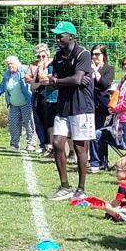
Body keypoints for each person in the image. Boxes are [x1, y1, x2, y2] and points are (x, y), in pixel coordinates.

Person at [44, 21, 95, 201]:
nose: (57, 38)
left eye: (61, 35)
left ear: (71, 37)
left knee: (80, 147)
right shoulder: (58, 56)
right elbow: (69, 79)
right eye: (57, 35)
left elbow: (75, 79)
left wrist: (59, 81)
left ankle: (81, 188)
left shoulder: (83, 54)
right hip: (63, 104)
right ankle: (65, 186)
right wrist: (68, 80)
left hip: (81, 105)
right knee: (58, 143)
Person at [94, 54, 126, 170]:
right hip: (120, 118)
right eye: (124, 64)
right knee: (98, 134)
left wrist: (116, 108)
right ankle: (99, 163)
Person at [0, 55, 35, 151]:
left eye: (12, 64)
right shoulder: (7, 75)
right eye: (8, 64)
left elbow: (33, 79)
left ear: (17, 63)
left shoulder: (25, 70)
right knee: (13, 124)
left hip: (26, 102)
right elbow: (1, 88)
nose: (10, 66)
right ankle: (14, 144)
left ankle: (31, 143)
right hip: (13, 104)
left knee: (29, 123)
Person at [88, 45, 115, 171]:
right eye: (93, 54)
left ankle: (100, 161)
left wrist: (95, 71)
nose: (94, 57)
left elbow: (104, 84)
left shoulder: (108, 69)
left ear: (103, 55)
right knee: (90, 133)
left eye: (97, 54)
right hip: (89, 104)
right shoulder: (88, 68)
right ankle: (94, 159)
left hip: (101, 106)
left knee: (98, 133)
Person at [26, 43, 56, 155]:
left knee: (48, 121)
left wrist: (37, 80)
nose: (40, 59)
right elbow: (27, 78)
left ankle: (50, 146)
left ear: (47, 54)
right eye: (38, 56)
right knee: (38, 120)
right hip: (37, 94)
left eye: (43, 56)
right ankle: (43, 144)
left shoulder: (52, 63)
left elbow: (48, 79)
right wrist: (38, 78)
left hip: (48, 94)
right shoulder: (34, 65)